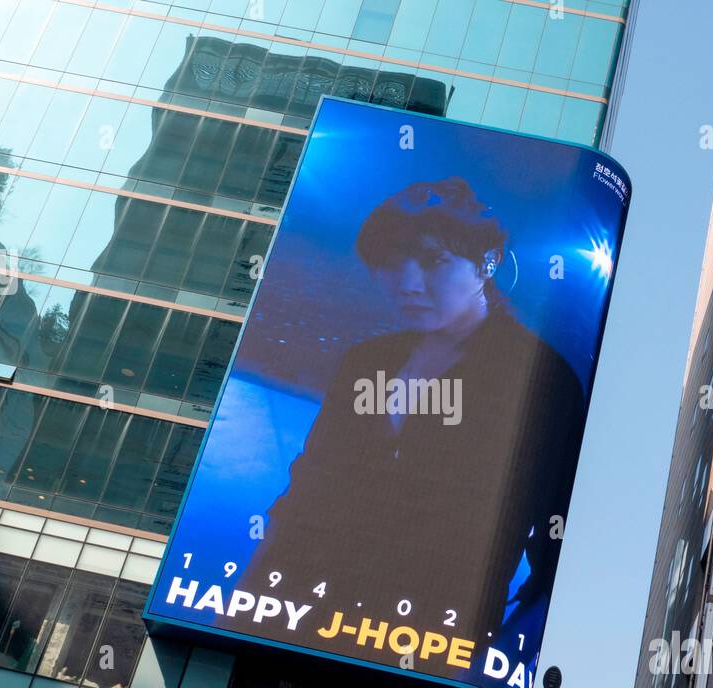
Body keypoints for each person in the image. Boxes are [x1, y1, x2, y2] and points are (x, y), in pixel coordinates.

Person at [241, 177, 587, 646]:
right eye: (388, 262)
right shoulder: (368, 361)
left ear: (488, 262)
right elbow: (304, 489)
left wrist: (495, 662)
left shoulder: (541, 378)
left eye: (432, 260)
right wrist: (242, 600)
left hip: (430, 640)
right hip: (294, 614)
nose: (406, 283)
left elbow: (552, 557)